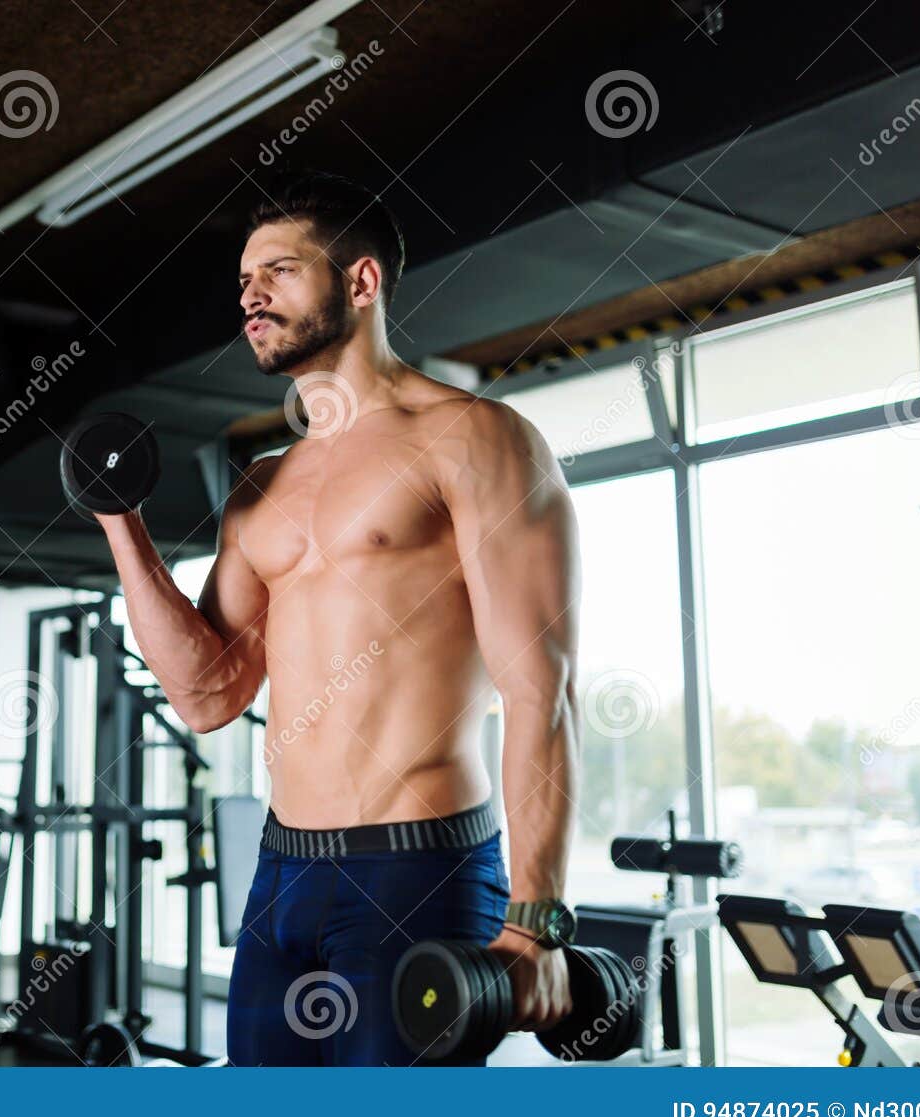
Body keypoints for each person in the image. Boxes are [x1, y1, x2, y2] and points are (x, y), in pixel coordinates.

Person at [91, 171, 579, 1065]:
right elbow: (208, 695)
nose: (251, 293)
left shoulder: (474, 438)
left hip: (419, 870)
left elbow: (540, 688)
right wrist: (119, 519)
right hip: (282, 876)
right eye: (244, 280)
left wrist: (537, 918)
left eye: (279, 269)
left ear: (361, 282)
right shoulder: (263, 482)